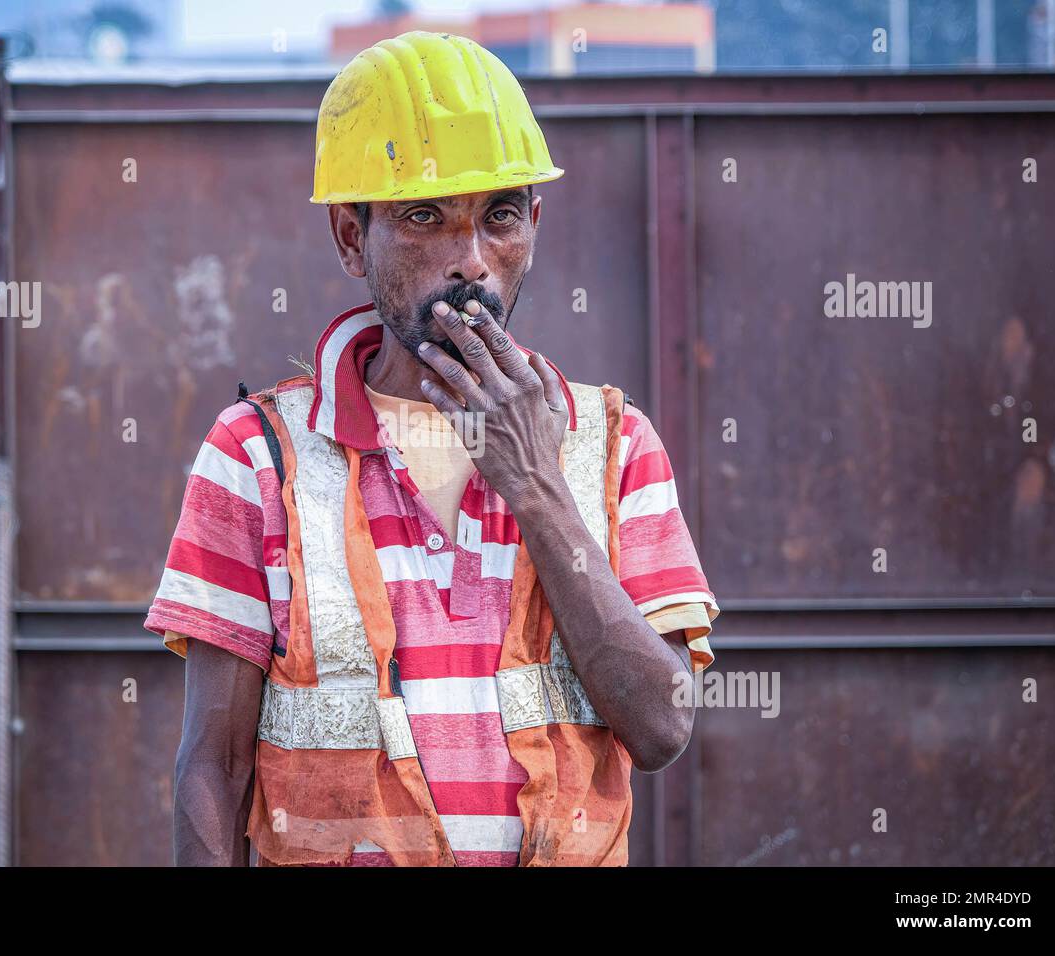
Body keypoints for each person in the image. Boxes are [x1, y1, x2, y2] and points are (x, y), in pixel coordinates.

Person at [146, 31, 719, 867]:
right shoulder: (260, 456)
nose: (471, 262)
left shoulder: (613, 443)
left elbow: (662, 726)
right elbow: (214, 765)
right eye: (425, 217)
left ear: (534, 223)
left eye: (500, 216)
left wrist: (536, 485)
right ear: (351, 236)